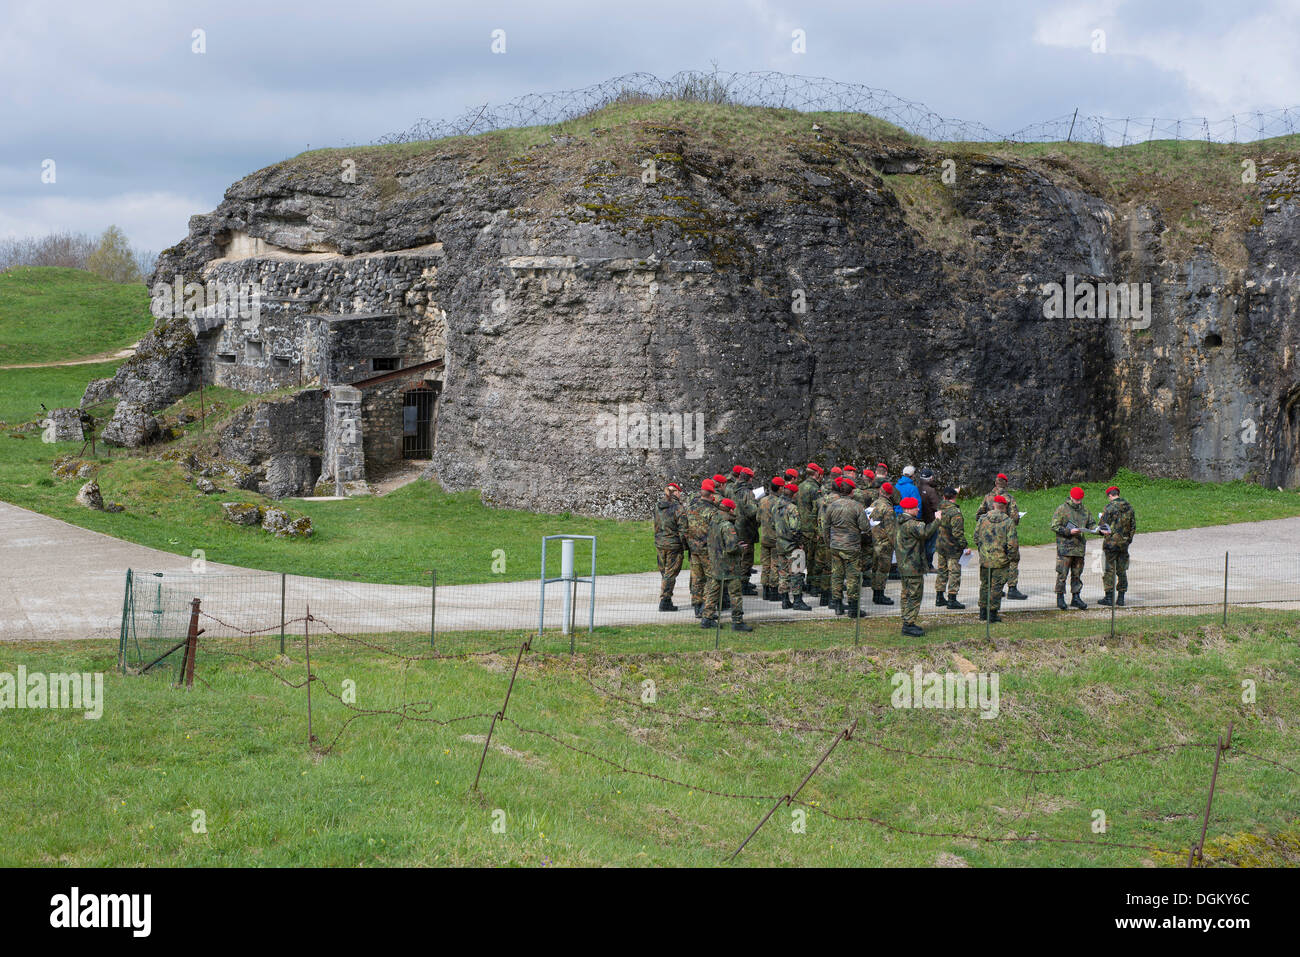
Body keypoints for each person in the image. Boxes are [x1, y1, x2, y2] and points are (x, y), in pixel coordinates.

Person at [703, 498, 752, 632]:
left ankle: (707, 618)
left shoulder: (713, 522)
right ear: (730, 510)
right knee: (735, 593)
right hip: (729, 566)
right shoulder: (727, 526)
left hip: (716, 564)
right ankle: (737, 621)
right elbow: (731, 548)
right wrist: (741, 548)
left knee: (713, 592)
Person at [976, 473, 1027, 600]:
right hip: (1004, 533)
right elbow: (1015, 518)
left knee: (991, 560)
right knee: (1013, 559)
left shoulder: (988, 497)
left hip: (988, 536)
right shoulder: (1009, 498)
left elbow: (978, 515)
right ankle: (1012, 588)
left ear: (995, 483)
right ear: (1006, 483)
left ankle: (995, 587)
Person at [825, 477, 871, 617]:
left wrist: (829, 543)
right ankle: (853, 608)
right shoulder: (857, 506)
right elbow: (865, 527)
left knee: (837, 575)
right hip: (851, 547)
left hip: (835, 546)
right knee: (853, 577)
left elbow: (825, 526)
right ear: (852, 492)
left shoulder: (832, 505)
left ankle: (838, 605)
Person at [895, 496, 938, 636]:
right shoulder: (912, 524)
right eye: (915, 507)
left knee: (906, 594)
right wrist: (937, 520)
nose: (918, 509)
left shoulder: (900, 521)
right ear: (908, 509)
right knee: (914, 595)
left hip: (903, 564)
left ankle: (907, 620)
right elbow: (926, 532)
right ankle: (909, 624)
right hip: (913, 566)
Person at [974, 494, 1019, 622]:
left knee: (985, 586)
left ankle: (982, 612)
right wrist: (1011, 557)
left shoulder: (983, 519)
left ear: (993, 505)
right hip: (1001, 560)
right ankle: (992, 614)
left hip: (985, 560)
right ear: (1004, 507)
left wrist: (984, 551)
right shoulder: (1008, 522)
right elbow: (1012, 544)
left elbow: (976, 537)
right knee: (997, 587)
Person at [1050, 486, 1096, 610]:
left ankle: (1076, 597)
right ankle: (1060, 598)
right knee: (1062, 574)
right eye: (1076, 500)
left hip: (1079, 548)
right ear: (1071, 497)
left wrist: (1097, 529)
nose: (1078, 502)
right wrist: (1068, 531)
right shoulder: (1062, 509)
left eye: (1080, 499)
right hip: (1065, 548)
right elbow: (1054, 526)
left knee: (1077, 574)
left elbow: (1091, 523)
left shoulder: (1085, 510)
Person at [683, 479, 720, 618]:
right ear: (711, 494)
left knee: (697, 578)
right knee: (711, 579)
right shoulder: (712, 511)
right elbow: (716, 532)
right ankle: (707, 607)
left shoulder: (690, 508)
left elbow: (685, 527)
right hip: (708, 550)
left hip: (694, 548)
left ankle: (697, 606)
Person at [774, 478, 812, 610]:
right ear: (794, 494)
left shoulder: (777, 505)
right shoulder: (792, 508)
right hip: (792, 545)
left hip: (780, 543)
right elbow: (795, 528)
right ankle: (797, 600)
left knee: (783, 572)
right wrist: (800, 543)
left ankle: (785, 600)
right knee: (797, 572)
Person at [1098, 485, 1137, 606]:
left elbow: (1103, 526)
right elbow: (1133, 526)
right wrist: (1128, 540)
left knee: (1109, 570)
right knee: (1122, 570)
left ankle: (1109, 597)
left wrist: (1100, 530)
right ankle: (1121, 597)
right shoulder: (1129, 507)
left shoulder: (1109, 507)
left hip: (1111, 544)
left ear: (1110, 495)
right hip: (1123, 544)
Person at [796, 463, 829, 605]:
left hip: (801, 526)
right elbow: (818, 510)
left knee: (804, 558)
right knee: (815, 559)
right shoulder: (816, 489)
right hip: (812, 528)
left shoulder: (801, 486)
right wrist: (818, 530)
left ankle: (805, 584)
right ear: (817, 474)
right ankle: (813, 586)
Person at [724, 466, 760, 596]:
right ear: (750, 479)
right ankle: (743, 585)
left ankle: (738, 582)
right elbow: (752, 512)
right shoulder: (747, 492)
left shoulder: (731, 488)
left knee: (738, 556)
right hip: (746, 528)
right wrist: (758, 504)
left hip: (734, 525)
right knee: (746, 557)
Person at [653, 482, 689, 611]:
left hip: (660, 543)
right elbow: (684, 530)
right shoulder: (678, 508)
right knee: (670, 573)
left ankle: (666, 598)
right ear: (677, 493)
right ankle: (665, 600)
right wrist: (686, 546)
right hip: (674, 545)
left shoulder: (658, 506)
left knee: (665, 573)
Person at [934, 485, 968, 609]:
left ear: (944, 497)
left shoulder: (940, 507)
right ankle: (952, 599)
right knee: (954, 572)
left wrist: (954, 492)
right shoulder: (955, 513)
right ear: (955, 497)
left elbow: (946, 499)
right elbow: (957, 533)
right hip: (952, 546)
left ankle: (939, 597)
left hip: (940, 544)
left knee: (942, 570)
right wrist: (964, 546)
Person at [868, 482, 897, 604]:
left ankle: (876, 594)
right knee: (883, 570)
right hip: (884, 543)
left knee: (875, 569)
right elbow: (891, 531)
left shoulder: (873, 504)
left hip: (874, 541)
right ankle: (879, 596)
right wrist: (896, 545)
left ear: (880, 491)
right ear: (890, 494)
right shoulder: (888, 509)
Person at [757, 476, 784, 600]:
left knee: (765, 564)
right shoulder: (779, 502)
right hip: (775, 538)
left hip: (765, 537)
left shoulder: (763, 500)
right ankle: (774, 590)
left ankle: (765, 590)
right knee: (775, 564)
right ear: (779, 488)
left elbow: (758, 518)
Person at [918, 468, 941, 571]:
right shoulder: (931, 490)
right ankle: (928, 565)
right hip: (930, 521)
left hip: (919, 521)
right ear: (931, 478)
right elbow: (937, 507)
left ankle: (922, 565)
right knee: (930, 545)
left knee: (921, 544)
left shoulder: (917, 488)